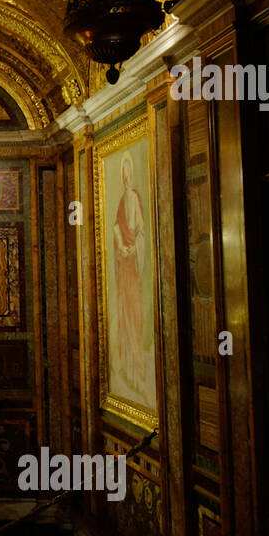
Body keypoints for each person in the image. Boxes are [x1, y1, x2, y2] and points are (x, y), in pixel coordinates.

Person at [112, 151, 147, 401]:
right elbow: (116, 227)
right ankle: (126, 362)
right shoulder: (122, 201)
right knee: (124, 309)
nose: (125, 178)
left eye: (128, 173)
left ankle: (137, 367)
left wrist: (134, 248)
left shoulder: (134, 197)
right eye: (122, 174)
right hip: (124, 265)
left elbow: (141, 231)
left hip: (133, 265)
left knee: (134, 310)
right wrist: (120, 246)